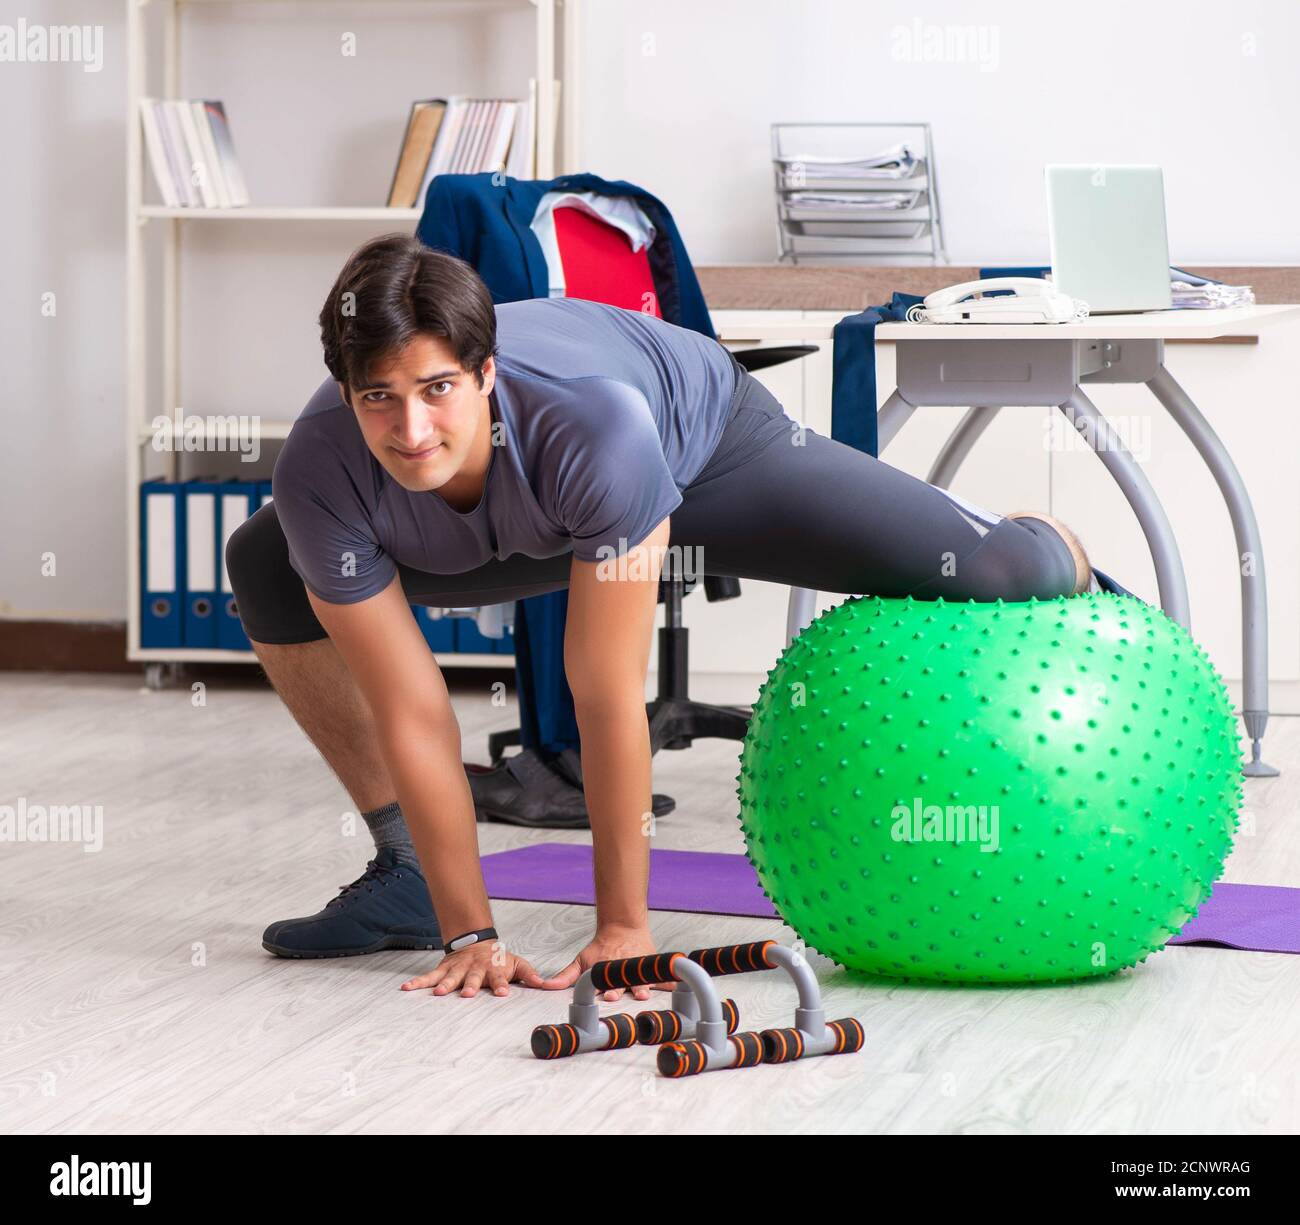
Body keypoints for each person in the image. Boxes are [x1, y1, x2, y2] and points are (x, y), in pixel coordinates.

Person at [226, 233, 1096, 1002]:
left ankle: (1045, 544)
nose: (411, 427)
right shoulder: (319, 470)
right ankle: (409, 876)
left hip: (706, 450)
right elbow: (415, 711)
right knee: (263, 560)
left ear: (485, 374)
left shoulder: (591, 425)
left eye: (438, 388)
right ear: (345, 391)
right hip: (512, 522)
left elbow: (603, 695)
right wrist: (472, 936)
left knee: (999, 570)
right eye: (378, 396)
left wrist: (624, 928)